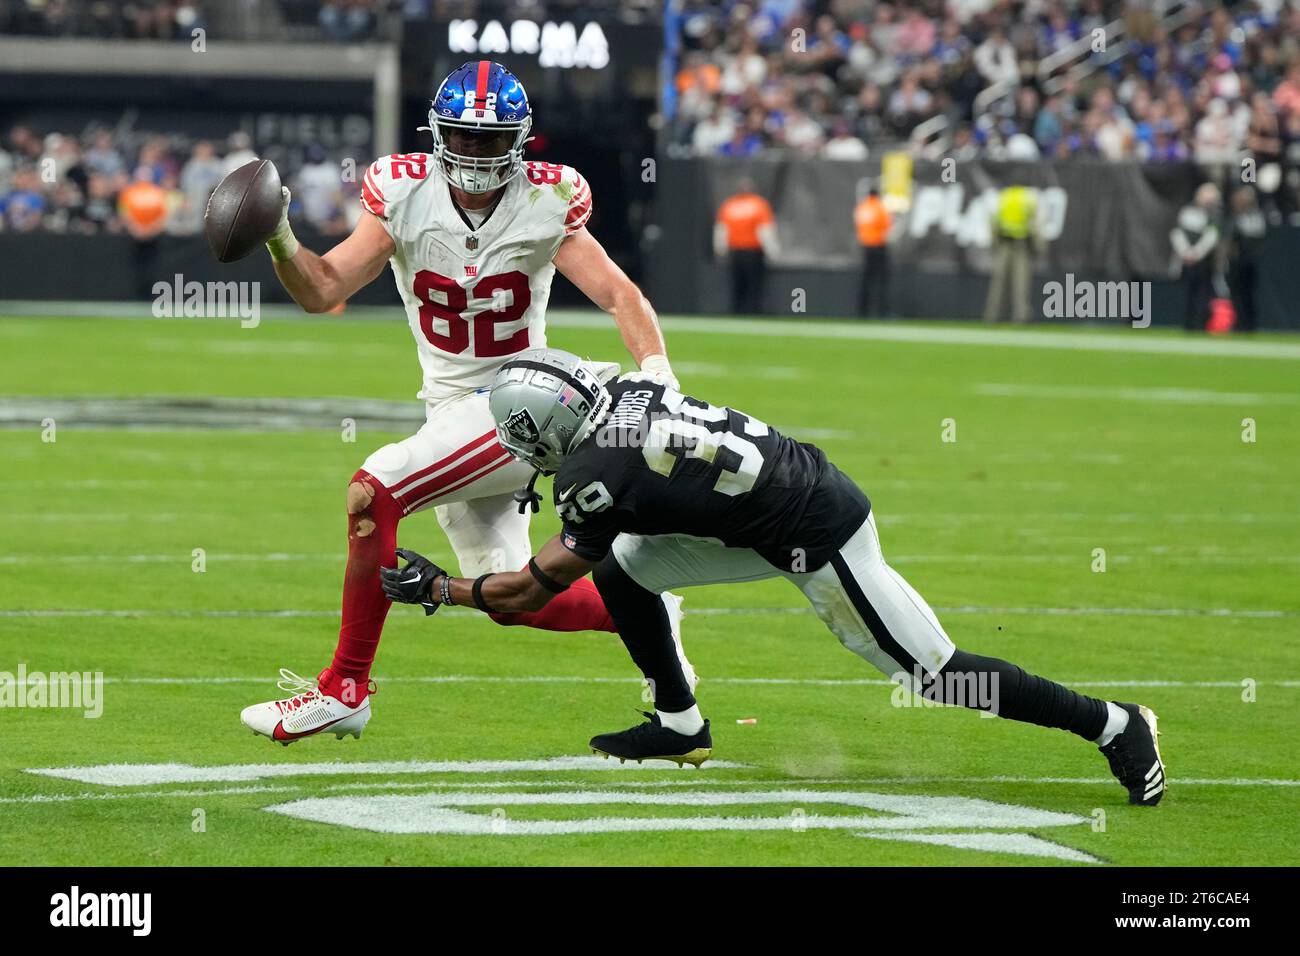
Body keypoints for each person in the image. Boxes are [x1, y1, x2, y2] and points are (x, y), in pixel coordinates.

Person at [383, 348, 1168, 807]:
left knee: (940, 676)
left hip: (817, 534)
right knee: (625, 567)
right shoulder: (620, 392)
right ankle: (681, 723)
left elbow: (530, 589)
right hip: (766, 510)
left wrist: (439, 591)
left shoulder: (592, 473)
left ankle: (1114, 724)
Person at [238, 61, 694, 744]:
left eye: (491, 139)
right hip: (454, 407)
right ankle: (642, 606)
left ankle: (345, 688)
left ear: (519, 140)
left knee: (373, 492)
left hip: (526, 396)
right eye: (464, 136)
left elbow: (619, 294)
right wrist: (279, 236)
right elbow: (323, 290)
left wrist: (657, 370)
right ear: (438, 133)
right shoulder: (403, 192)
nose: (477, 152)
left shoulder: (549, 197)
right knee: (512, 597)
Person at [714, 177, 778, 315]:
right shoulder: (759, 204)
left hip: (739, 251)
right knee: (753, 284)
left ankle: (739, 310)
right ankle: (752, 310)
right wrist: (772, 251)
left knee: (739, 284)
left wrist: (720, 248)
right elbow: (765, 231)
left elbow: (722, 230)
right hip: (751, 251)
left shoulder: (730, 205)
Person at [983, 184, 1037, 324]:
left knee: (998, 284)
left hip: (1004, 245)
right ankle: (1021, 317)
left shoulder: (1002, 197)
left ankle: (992, 316)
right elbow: (1035, 223)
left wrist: (994, 243)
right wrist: (1038, 247)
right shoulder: (1028, 197)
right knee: (1021, 284)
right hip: (1021, 246)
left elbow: (992, 221)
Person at [1170, 183, 1221, 332]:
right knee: (1188, 293)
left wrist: (1196, 253)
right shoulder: (1187, 211)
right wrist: (1185, 251)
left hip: (1205, 262)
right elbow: (1176, 231)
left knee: (1203, 294)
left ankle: (1201, 324)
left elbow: (1212, 236)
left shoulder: (1214, 214)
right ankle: (1188, 324)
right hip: (1187, 260)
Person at [1226, 187, 1265, 333]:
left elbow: (1233, 240)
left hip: (1244, 262)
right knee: (1240, 295)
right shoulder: (1252, 217)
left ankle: (1245, 324)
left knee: (1243, 294)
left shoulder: (1247, 217)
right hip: (1244, 262)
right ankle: (1243, 323)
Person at [853, 186, 892, 317]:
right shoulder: (879, 207)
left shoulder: (862, 208)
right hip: (878, 246)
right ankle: (882, 311)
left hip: (865, 247)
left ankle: (862, 310)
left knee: (865, 280)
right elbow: (887, 226)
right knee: (882, 280)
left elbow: (858, 225)